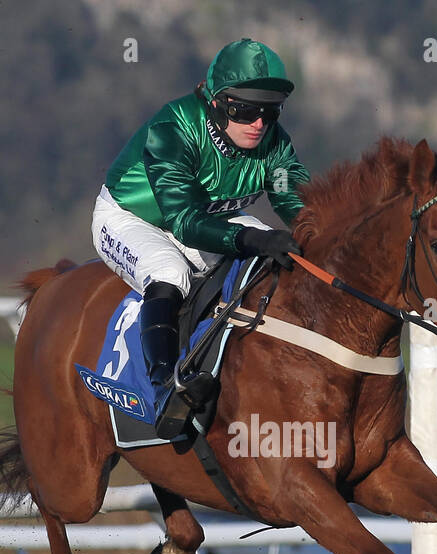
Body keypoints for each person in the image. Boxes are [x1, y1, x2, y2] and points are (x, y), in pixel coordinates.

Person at [93, 37, 311, 438]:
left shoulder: (274, 144)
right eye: (245, 110)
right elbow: (184, 221)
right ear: (216, 102)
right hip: (133, 218)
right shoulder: (173, 129)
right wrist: (250, 240)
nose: (259, 123)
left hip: (208, 215)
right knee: (170, 271)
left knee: (276, 256)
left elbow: (297, 204)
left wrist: (320, 231)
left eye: (269, 110)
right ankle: (163, 387)